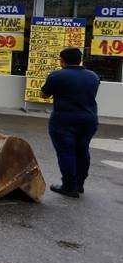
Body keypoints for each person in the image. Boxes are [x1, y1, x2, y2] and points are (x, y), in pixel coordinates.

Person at [40, 47, 100, 198]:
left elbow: (44, 94)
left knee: (66, 152)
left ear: (63, 60)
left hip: (64, 120)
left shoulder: (57, 75)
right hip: (89, 120)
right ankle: (79, 184)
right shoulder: (93, 76)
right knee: (82, 151)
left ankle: (69, 186)